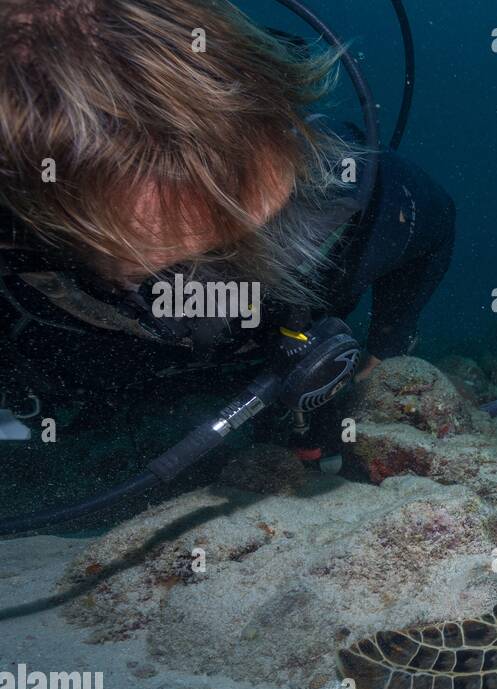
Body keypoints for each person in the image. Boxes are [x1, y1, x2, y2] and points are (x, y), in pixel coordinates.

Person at [0, 0, 454, 454]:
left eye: (250, 223)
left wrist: (382, 354)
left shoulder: (347, 190)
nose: (207, 289)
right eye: (165, 258)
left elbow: (434, 225)